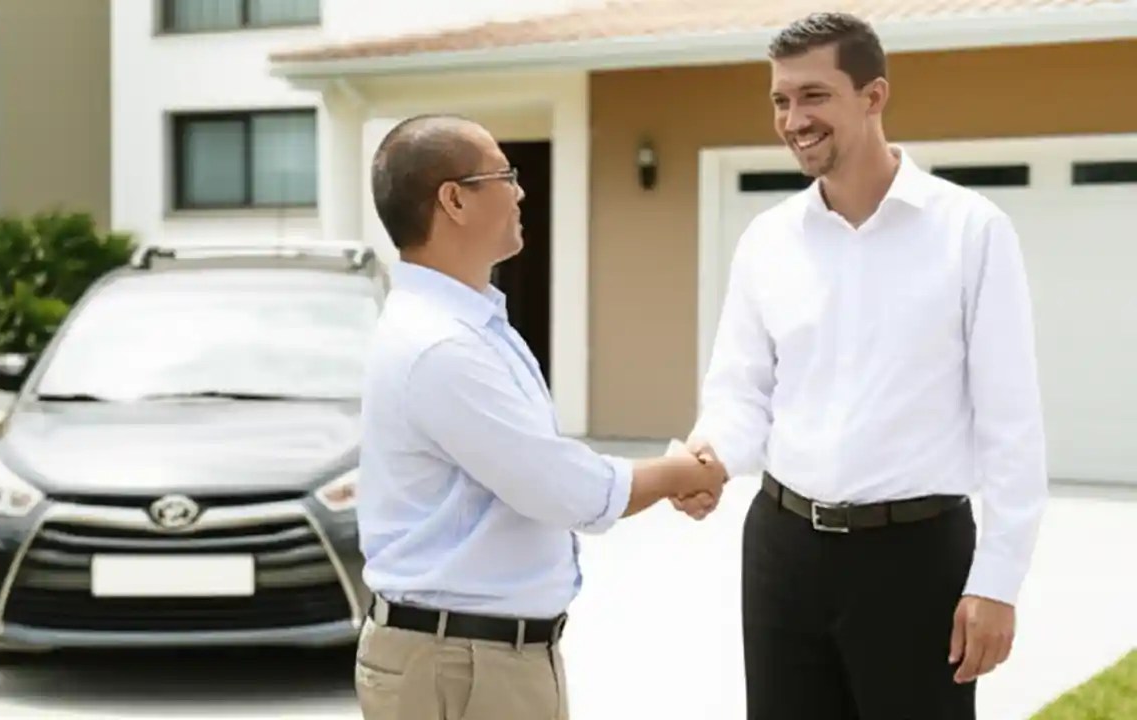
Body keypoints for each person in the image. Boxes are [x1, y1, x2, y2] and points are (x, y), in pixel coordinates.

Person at [678, 12, 1049, 720]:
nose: (793, 119)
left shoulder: (971, 232)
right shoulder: (767, 241)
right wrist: (708, 459)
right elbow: (740, 393)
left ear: (874, 95)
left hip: (916, 559)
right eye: (781, 100)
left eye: (814, 96)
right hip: (782, 551)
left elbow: (1013, 425)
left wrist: (998, 581)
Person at [355, 114, 727, 720]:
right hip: (462, 666)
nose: (522, 192)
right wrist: (680, 472)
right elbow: (563, 489)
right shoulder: (441, 346)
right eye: (505, 175)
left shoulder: (466, 325)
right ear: (453, 200)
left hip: (470, 656)